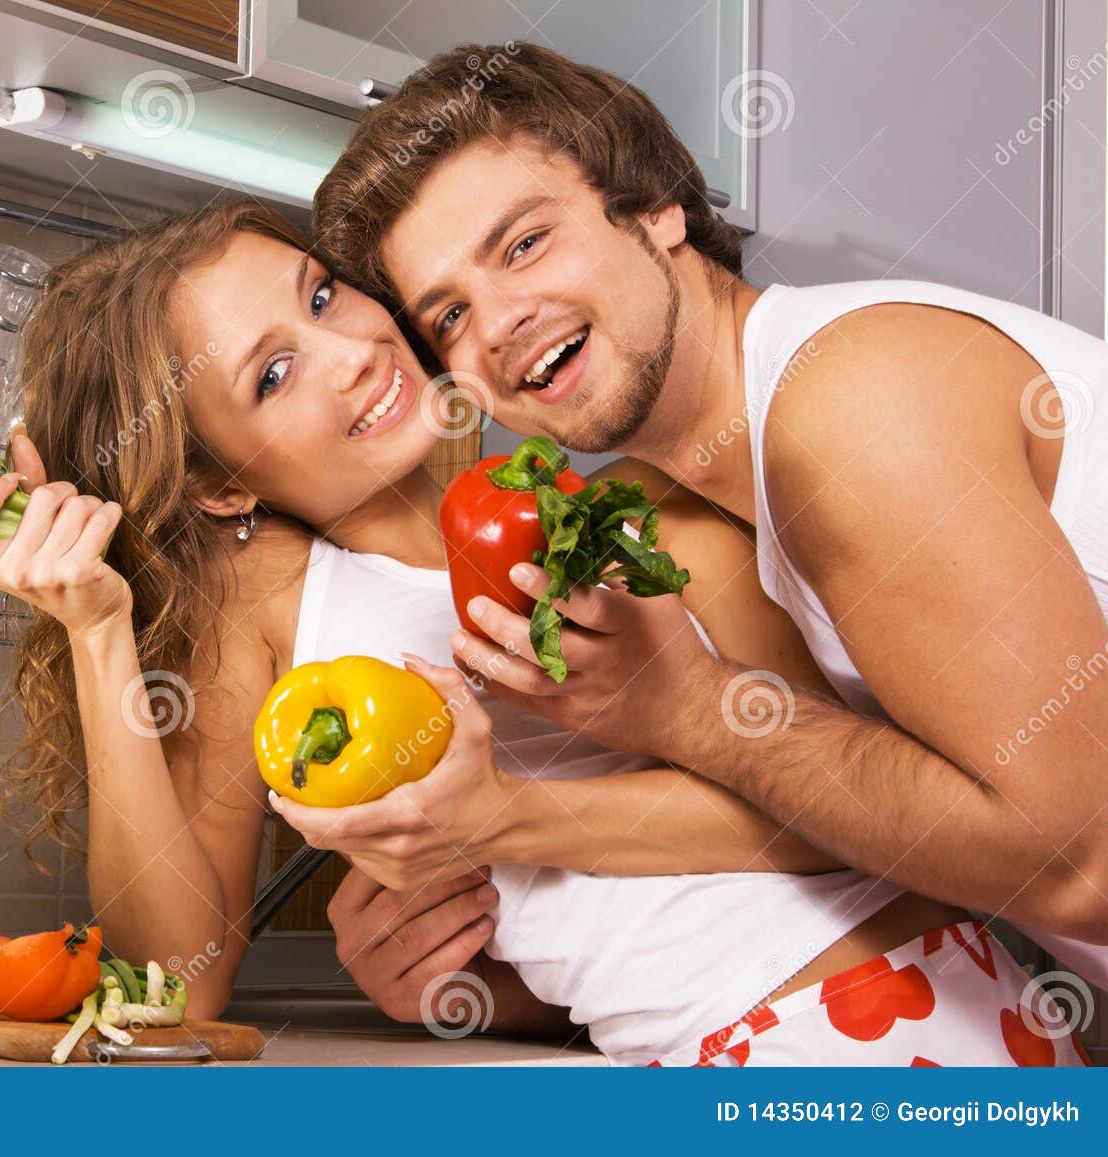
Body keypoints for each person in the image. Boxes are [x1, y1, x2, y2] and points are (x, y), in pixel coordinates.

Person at [0, 200, 1082, 1065]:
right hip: (700, 1052)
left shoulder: (635, 519)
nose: (351, 348)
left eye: (318, 297)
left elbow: (856, 821)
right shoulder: (268, 604)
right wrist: (99, 631)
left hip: (907, 1017)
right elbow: (176, 984)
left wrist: (509, 817)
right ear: (213, 484)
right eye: (273, 373)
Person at [297, 42, 1108, 999]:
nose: (501, 319)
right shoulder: (725, 500)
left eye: (524, 243)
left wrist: (691, 708)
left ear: (656, 209)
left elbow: (1078, 869)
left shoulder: (845, 397)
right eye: (448, 316)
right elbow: (917, 850)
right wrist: (468, 987)